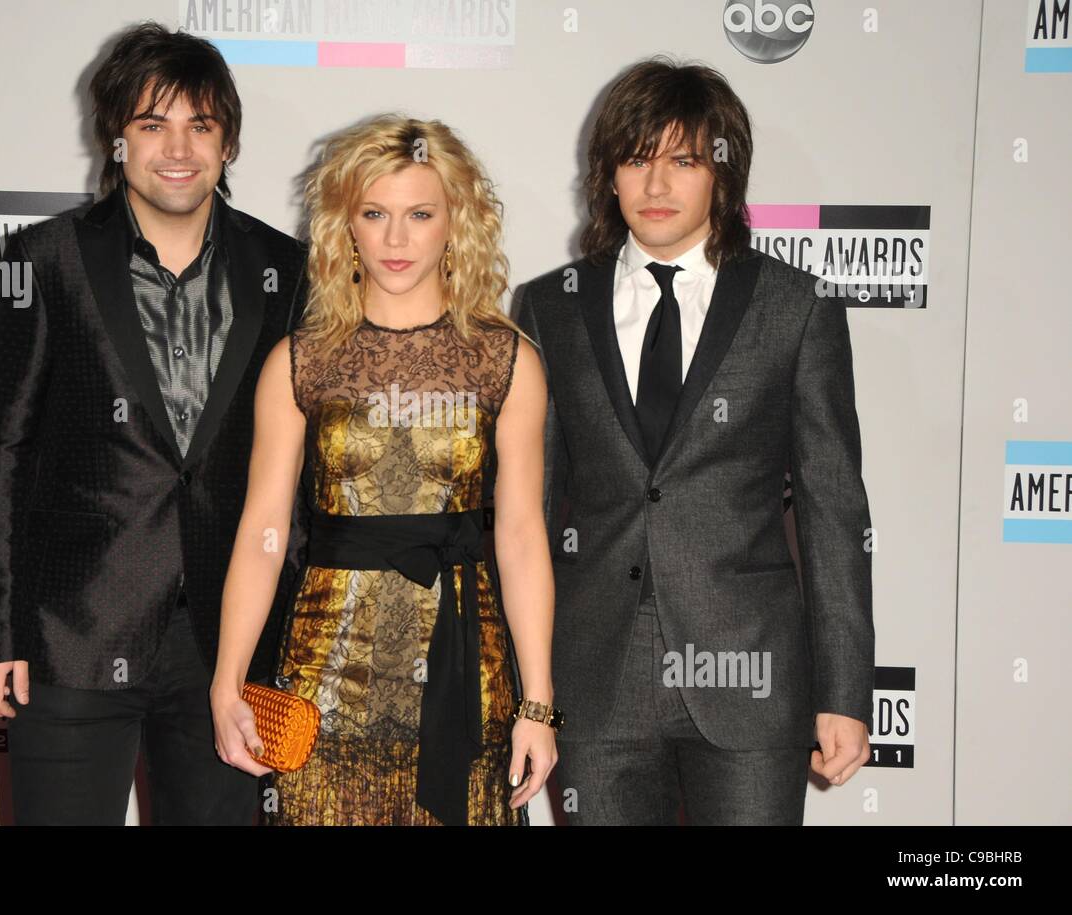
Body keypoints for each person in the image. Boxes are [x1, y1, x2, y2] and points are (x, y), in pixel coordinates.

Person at [516, 57, 874, 825]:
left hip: (751, 680)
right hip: (596, 681)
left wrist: (844, 691)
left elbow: (833, 507)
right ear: (607, 175)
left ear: (722, 175)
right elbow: (529, 517)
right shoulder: (552, 307)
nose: (656, 184)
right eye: (637, 159)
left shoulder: (796, 307)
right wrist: (527, 691)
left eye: (683, 160)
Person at [0, 23, 308, 825]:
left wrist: (294, 632)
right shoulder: (46, 260)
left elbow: (302, 470)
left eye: (201, 124)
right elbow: (1, 453)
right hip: (72, 634)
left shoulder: (285, 269)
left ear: (228, 142)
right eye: (153, 125)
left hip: (229, 644)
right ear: (117, 138)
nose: (178, 148)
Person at [210, 114, 559, 826]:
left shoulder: (507, 360)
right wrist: (227, 681)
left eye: (419, 214)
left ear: (454, 223)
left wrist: (539, 705)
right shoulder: (299, 361)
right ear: (346, 225)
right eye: (375, 213)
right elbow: (264, 533)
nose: (397, 239)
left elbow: (522, 537)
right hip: (324, 681)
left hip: (466, 673)